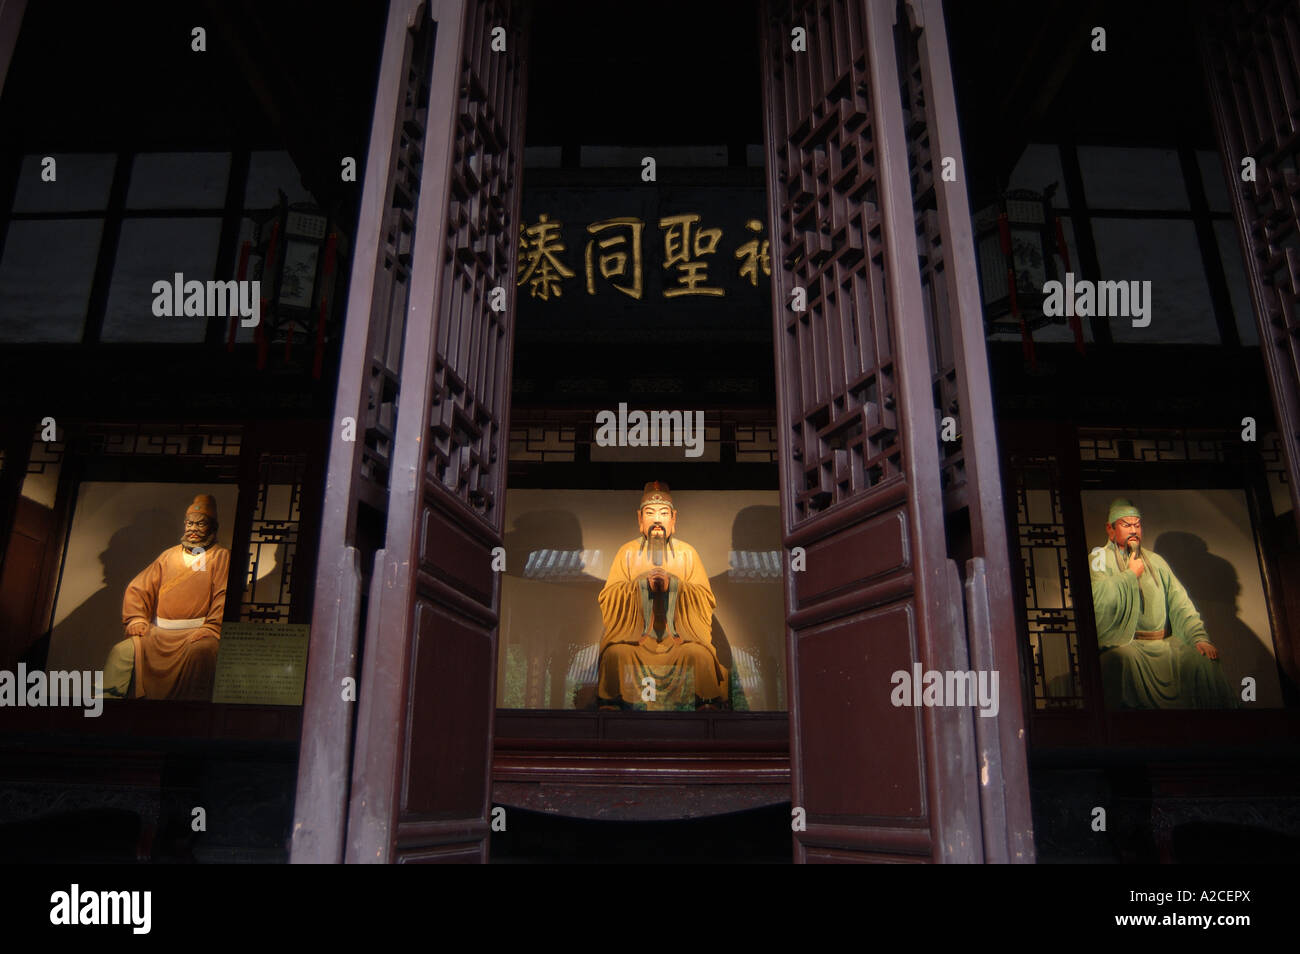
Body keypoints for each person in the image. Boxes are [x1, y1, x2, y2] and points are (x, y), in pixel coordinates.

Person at [1089, 498, 1237, 709]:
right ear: (1110, 529)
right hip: (1129, 646)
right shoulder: (1099, 557)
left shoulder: (1156, 561)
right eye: (1126, 525)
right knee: (1119, 661)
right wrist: (1130, 575)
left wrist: (1198, 637)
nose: (1133, 530)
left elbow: (1180, 603)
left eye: (1137, 525)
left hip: (1166, 645)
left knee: (1204, 664)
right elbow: (1098, 597)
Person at [596, 481, 728, 710]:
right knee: (615, 654)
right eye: (650, 513)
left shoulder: (688, 554)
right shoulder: (626, 553)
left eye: (664, 513)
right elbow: (609, 599)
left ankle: (707, 712)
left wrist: (673, 586)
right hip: (638, 641)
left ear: (673, 519)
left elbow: (705, 600)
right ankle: (611, 710)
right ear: (640, 519)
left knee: (699, 655)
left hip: (677, 641)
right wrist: (641, 586)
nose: (657, 520)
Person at [102, 495, 230, 701]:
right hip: (157, 633)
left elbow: (224, 594)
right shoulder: (168, 556)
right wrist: (136, 618)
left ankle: (188, 716)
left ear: (213, 527)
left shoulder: (221, 556)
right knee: (121, 652)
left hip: (196, 634)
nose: (193, 528)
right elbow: (139, 587)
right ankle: (105, 709)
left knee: (203, 653)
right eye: (190, 523)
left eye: (200, 523)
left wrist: (212, 626)